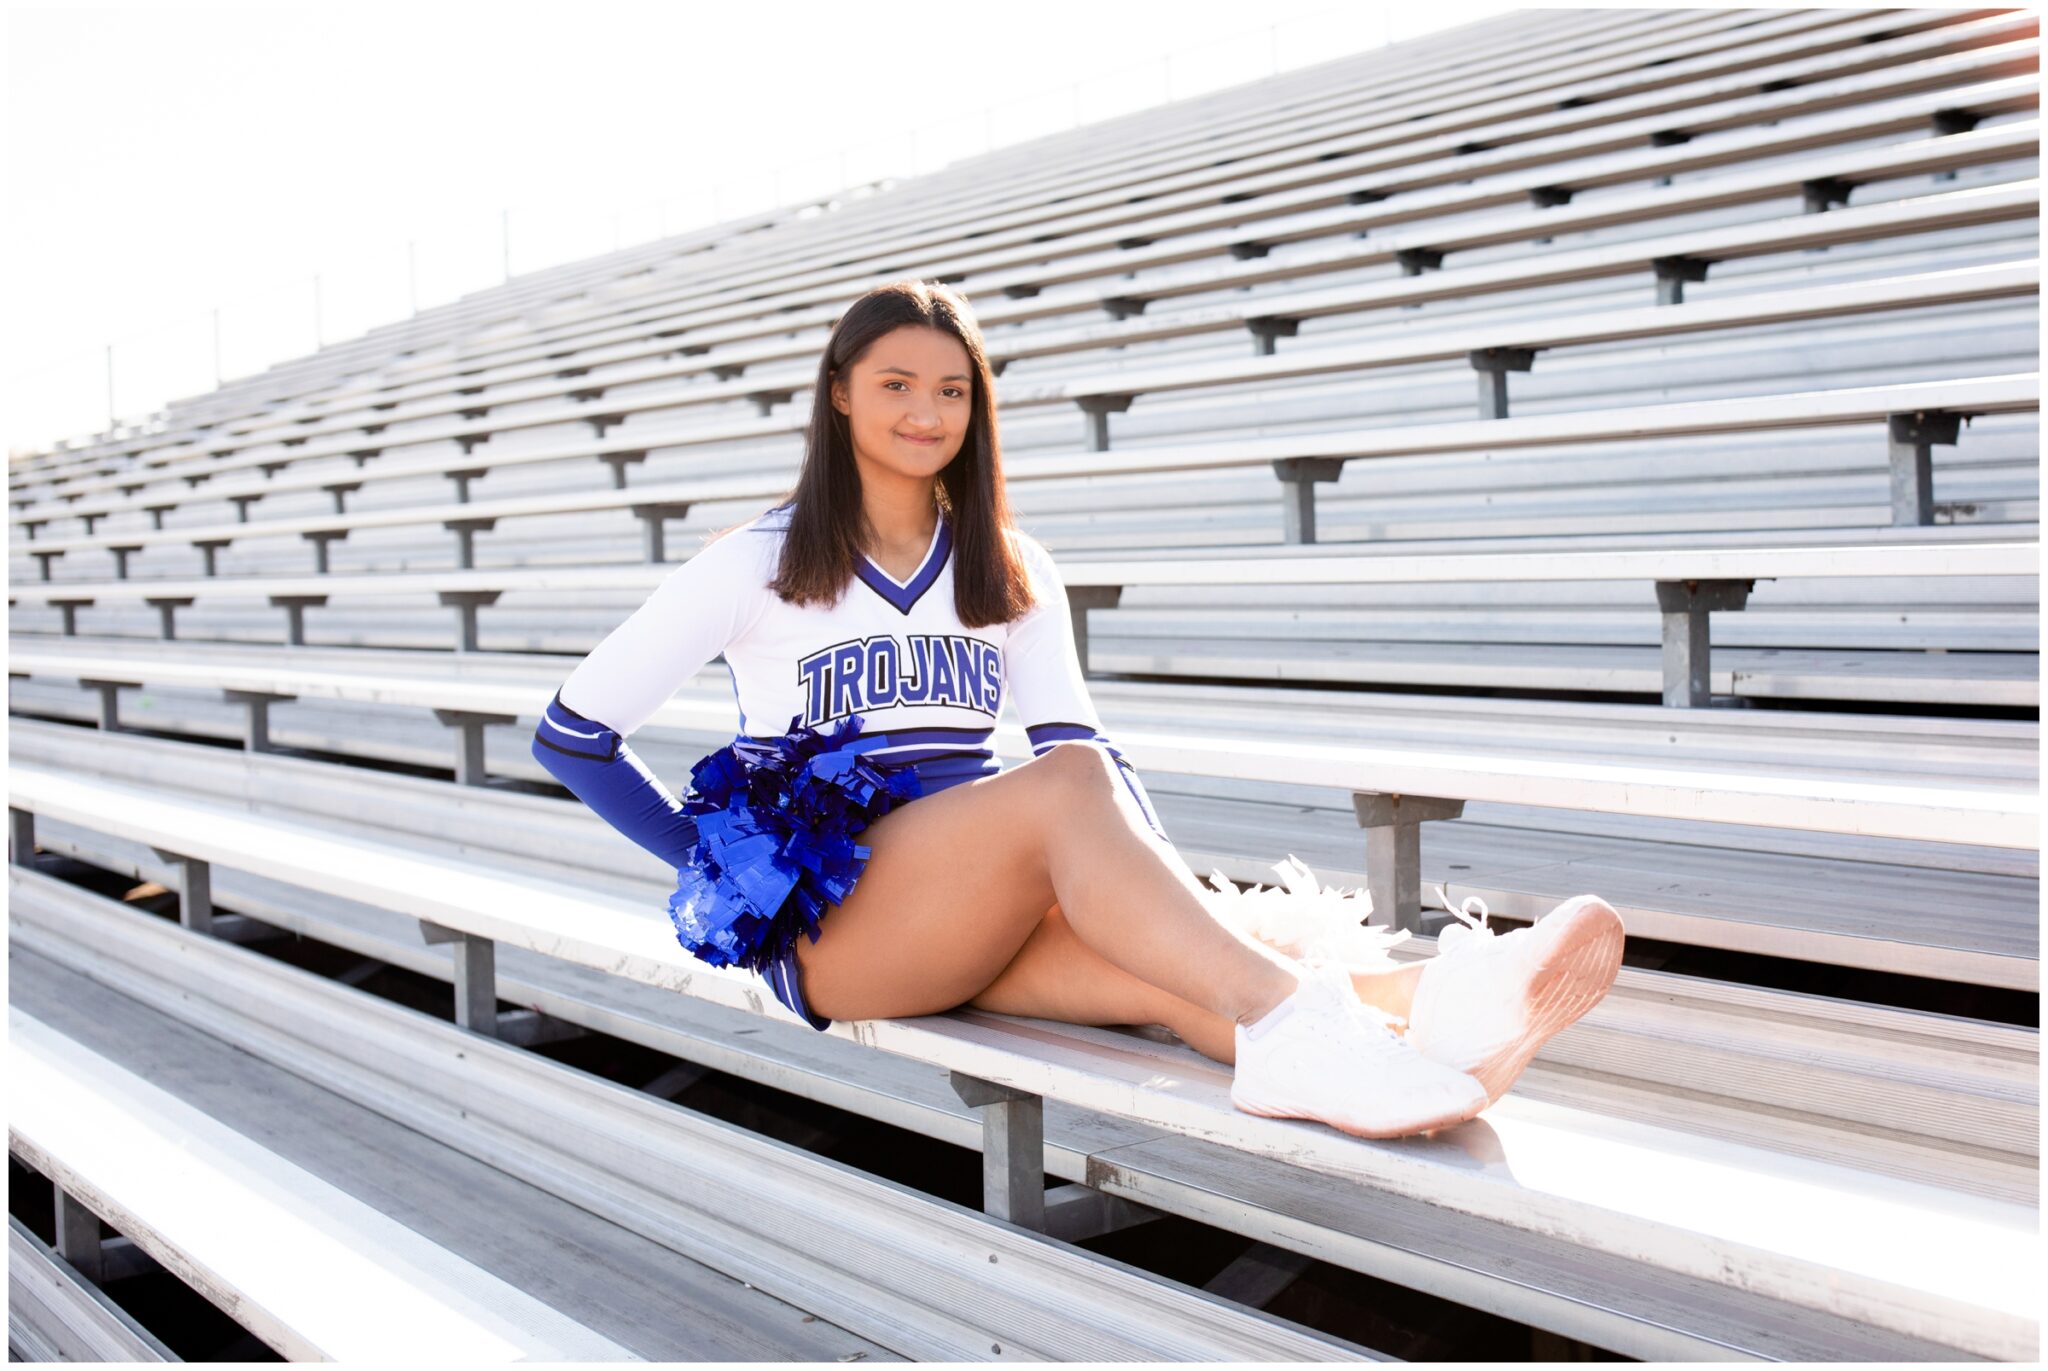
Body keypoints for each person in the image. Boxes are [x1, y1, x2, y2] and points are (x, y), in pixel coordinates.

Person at [532, 278, 1625, 1141]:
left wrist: (1170, 900)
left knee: (1177, 968)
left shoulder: (1006, 564)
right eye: (897, 384)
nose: (926, 411)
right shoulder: (758, 560)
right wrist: (714, 873)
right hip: (835, 937)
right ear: (840, 393)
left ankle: (1428, 1026)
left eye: (952, 390)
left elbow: (1077, 742)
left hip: (966, 913)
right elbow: (574, 735)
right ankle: (1343, 1015)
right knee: (1072, 803)